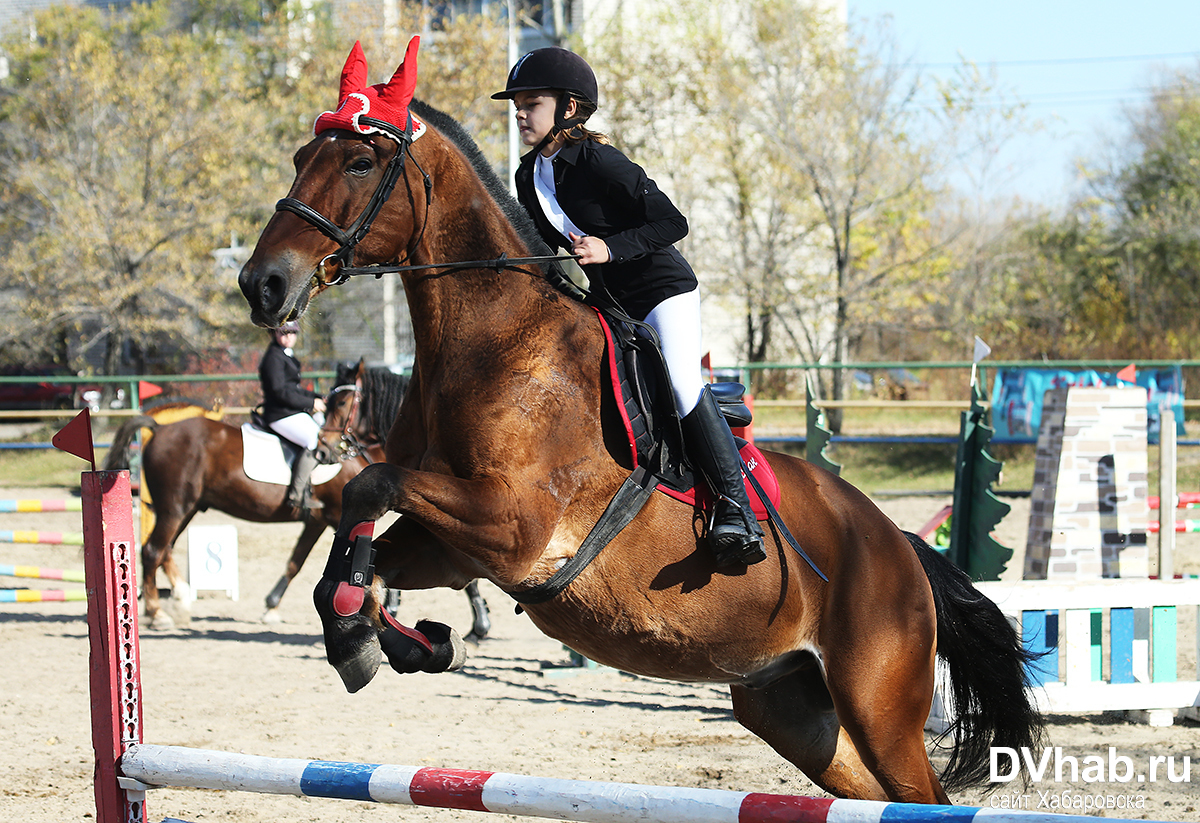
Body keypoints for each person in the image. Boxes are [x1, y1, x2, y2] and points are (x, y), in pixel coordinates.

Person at [492, 48, 766, 567]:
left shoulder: (601, 162)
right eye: (518, 106)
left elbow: (672, 223)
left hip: (661, 290)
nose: (521, 114)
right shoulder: (527, 176)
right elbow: (542, 249)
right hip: (609, 301)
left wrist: (609, 249)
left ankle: (737, 511)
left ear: (569, 109)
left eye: (531, 103)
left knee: (681, 382)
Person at [259, 321, 327, 511]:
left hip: (290, 412)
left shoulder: (284, 355)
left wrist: (318, 397)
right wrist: (311, 403)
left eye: (292, 333)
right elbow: (280, 392)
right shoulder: (273, 357)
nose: (288, 336)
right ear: (274, 333)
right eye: (284, 332)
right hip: (279, 414)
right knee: (314, 440)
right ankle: (297, 495)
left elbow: (294, 389)